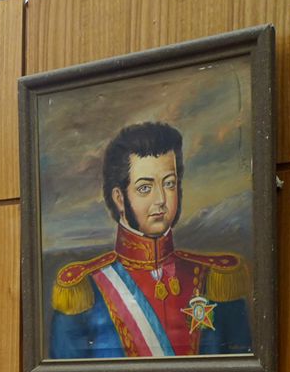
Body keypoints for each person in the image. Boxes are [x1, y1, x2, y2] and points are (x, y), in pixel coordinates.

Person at [49, 121, 252, 359]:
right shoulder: (85, 289)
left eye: (169, 183)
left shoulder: (216, 278)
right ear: (119, 198)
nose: (161, 200)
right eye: (145, 188)